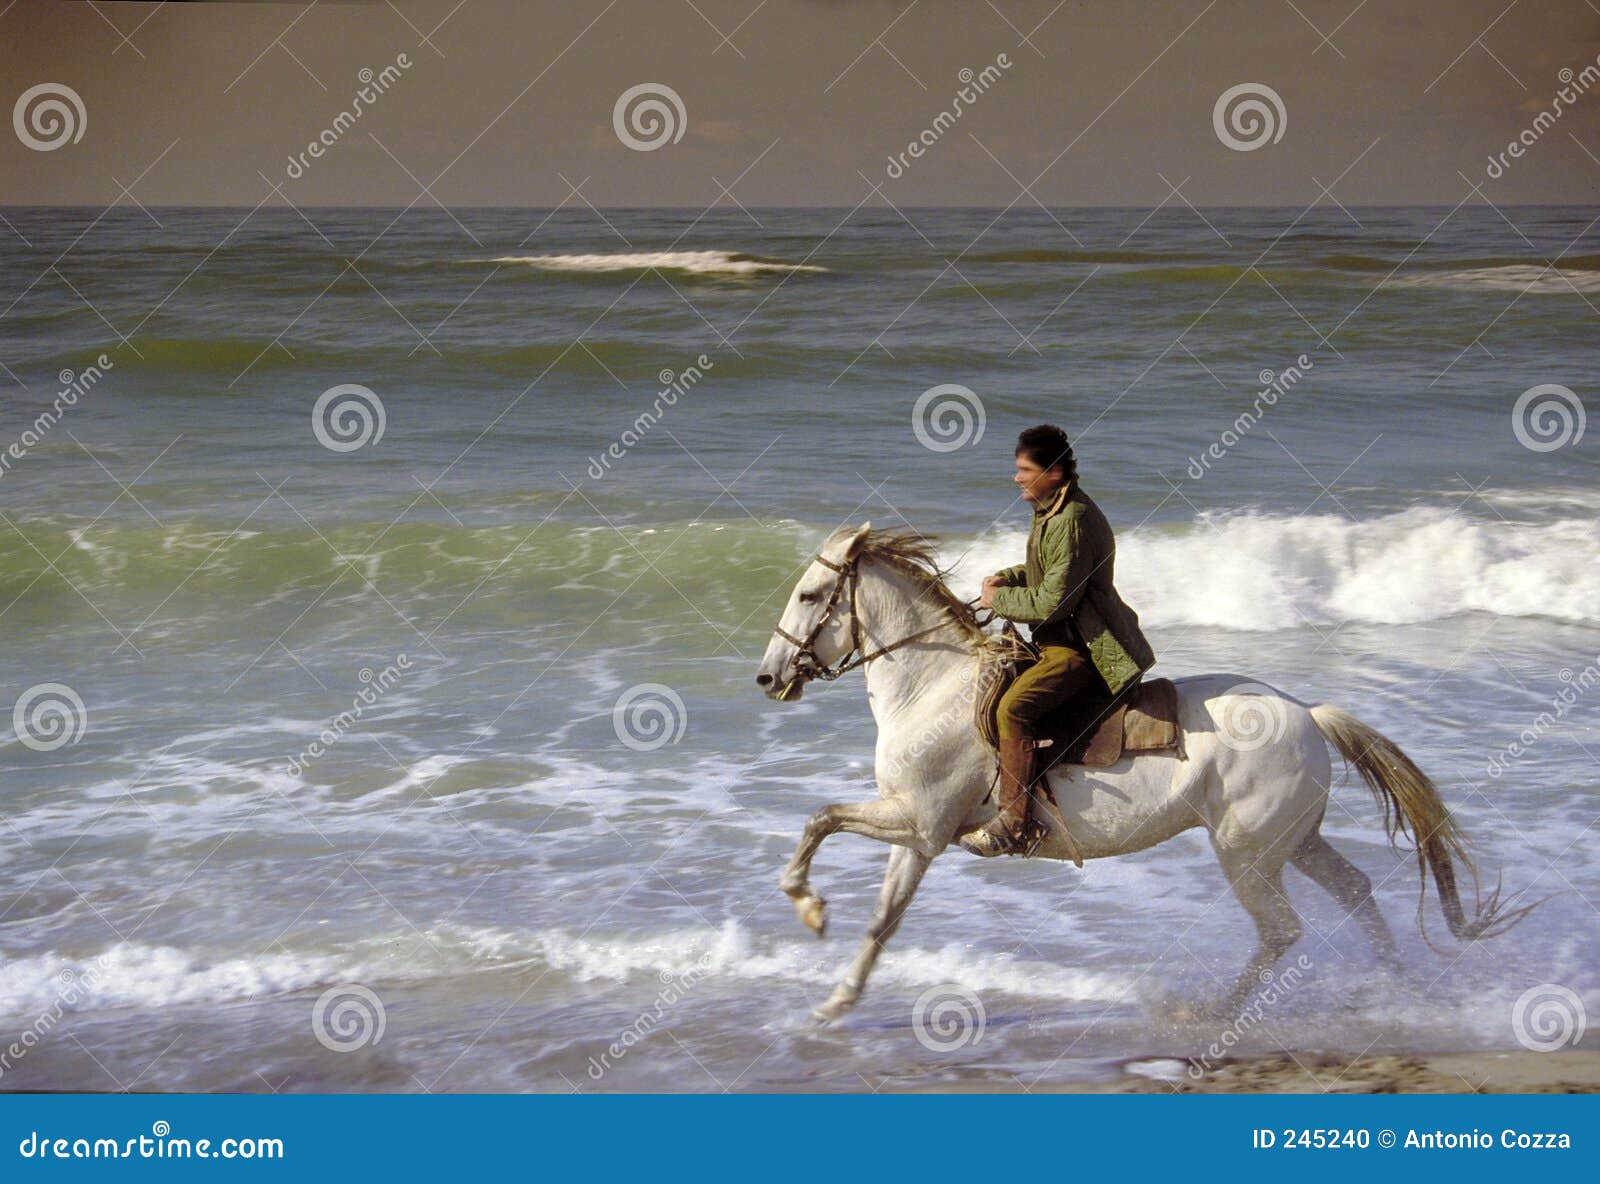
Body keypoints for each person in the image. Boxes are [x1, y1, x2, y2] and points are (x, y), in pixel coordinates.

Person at [962, 424, 1156, 858]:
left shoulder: (1073, 519)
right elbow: (1050, 571)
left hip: (1083, 649)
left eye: (1023, 470)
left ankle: (1015, 823)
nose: (1016, 478)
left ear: (1052, 472)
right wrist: (1008, 578)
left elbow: (1055, 603)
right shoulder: (1053, 511)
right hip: (1062, 640)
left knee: (1013, 708)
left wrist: (1002, 599)